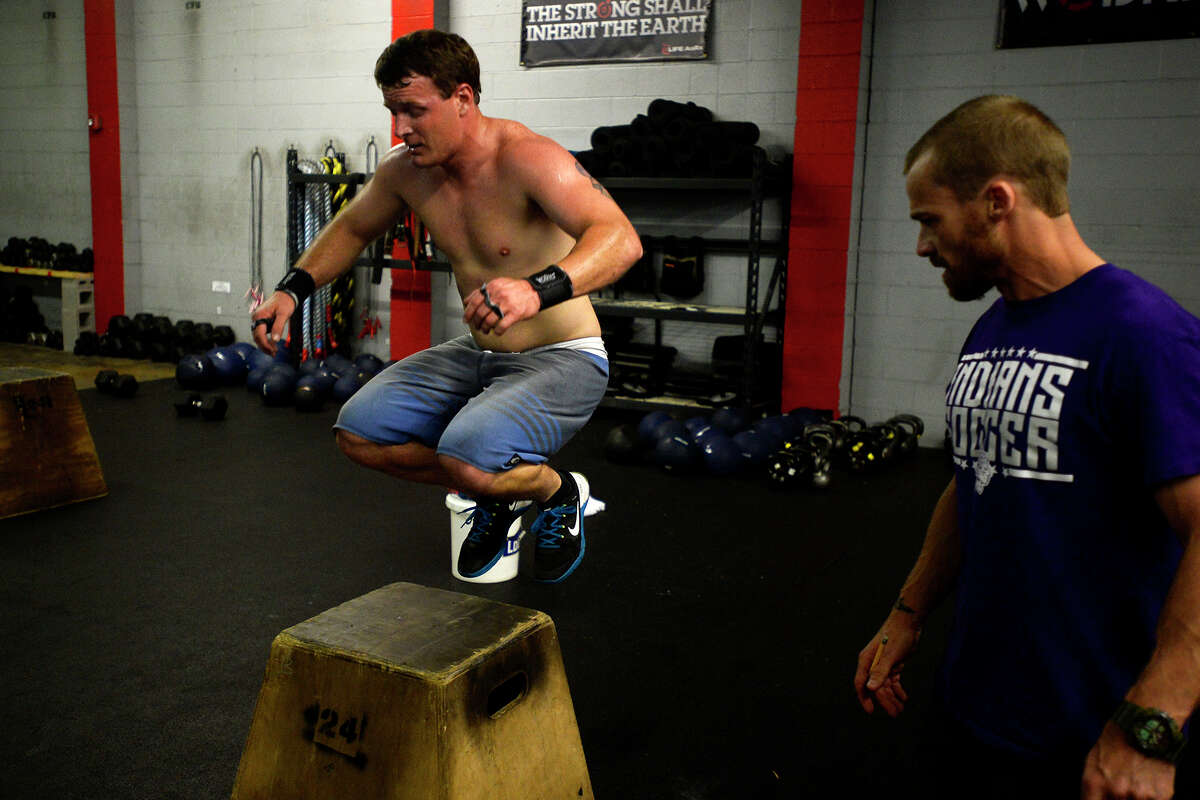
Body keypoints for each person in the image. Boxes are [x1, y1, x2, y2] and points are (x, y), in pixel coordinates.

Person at [852, 94, 1200, 799]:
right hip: (981, 706)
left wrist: (1152, 722)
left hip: (1096, 734)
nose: (922, 246)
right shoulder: (994, 326)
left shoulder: (1143, 332)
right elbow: (975, 477)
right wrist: (908, 611)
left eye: (929, 220)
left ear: (996, 201)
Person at [251, 29, 642, 583]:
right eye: (393, 112)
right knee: (358, 434)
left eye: (414, 111)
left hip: (563, 355)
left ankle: (557, 490)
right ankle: (501, 489)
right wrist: (291, 290)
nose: (401, 128)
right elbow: (352, 228)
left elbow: (621, 240)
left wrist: (536, 289)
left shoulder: (528, 158)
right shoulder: (405, 171)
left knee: (467, 458)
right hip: (479, 354)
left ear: (462, 98)